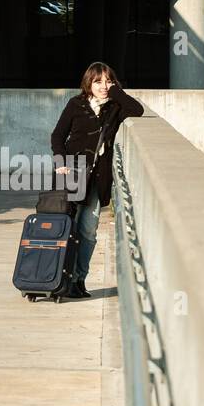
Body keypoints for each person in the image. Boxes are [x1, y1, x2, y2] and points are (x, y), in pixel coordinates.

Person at [49, 62, 144, 298]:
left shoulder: (116, 107)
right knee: (65, 227)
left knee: (88, 230)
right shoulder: (76, 104)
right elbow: (58, 135)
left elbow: (138, 110)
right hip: (71, 172)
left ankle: (78, 280)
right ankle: (56, 277)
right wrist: (60, 161)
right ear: (88, 83)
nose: (103, 86)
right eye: (98, 81)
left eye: (107, 81)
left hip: (97, 178)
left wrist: (116, 92)